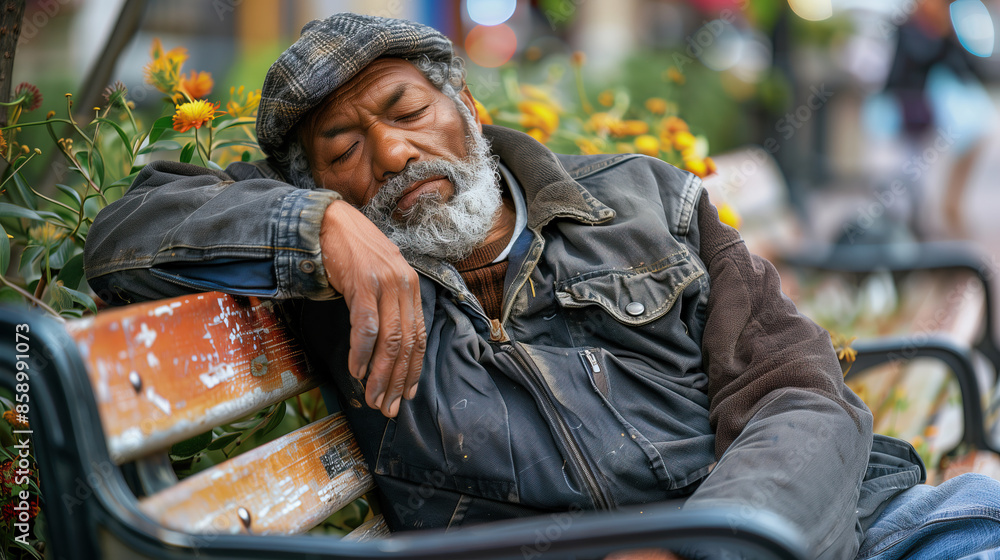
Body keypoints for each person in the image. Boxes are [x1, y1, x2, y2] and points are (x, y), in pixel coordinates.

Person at [83, 13, 1000, 560]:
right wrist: (314, 229)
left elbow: (799, 392)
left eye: (406, 111)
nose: (394, 153)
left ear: (466, 109)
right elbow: (123, 236)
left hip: (800, 534)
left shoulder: (646, 200)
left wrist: (710, 544)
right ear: (316, 179)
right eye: (343, 150)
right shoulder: (331, 281)